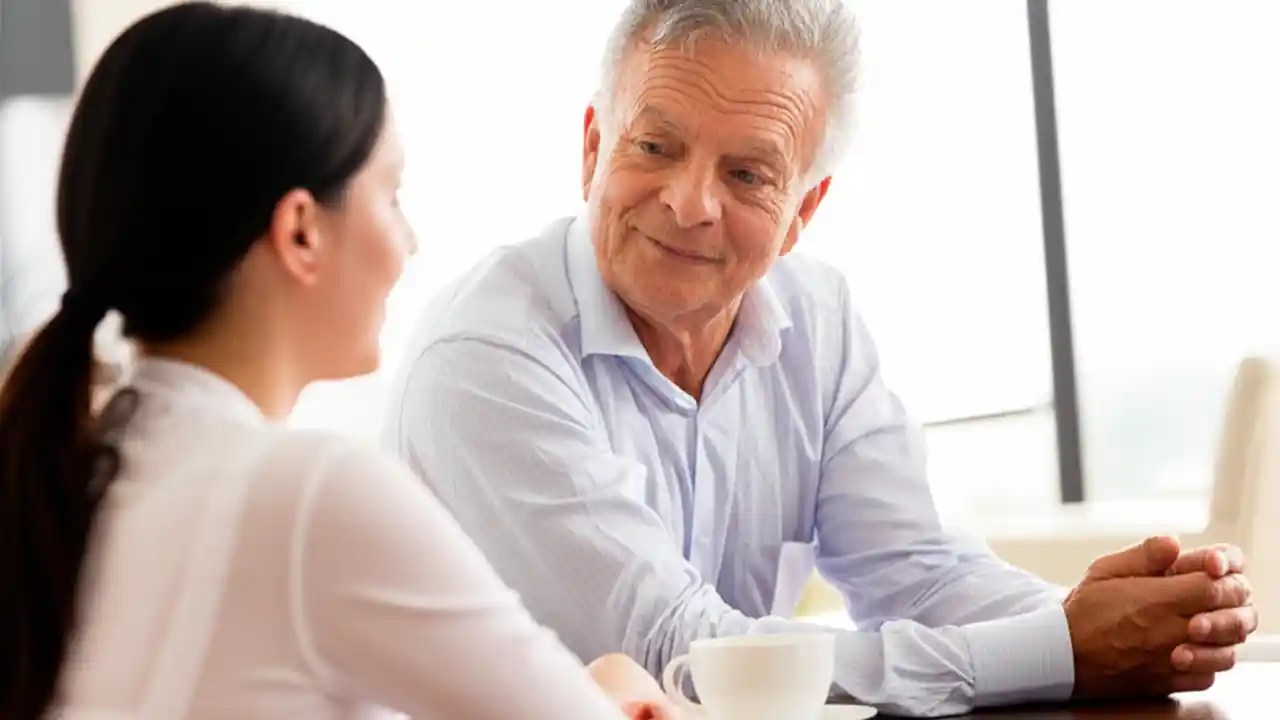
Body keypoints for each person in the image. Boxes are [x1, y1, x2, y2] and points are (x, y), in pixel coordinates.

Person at [383, 0, 1258, 716]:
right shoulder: (488, 355)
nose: (689, 203)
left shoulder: (817, 318)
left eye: (747, 175)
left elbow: (920, 572)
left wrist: (1105, 623)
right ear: (592, 149)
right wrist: (1062, 648)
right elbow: (681, 656)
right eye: (654, 146)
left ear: (804, 210)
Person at [0, 3, 672, 718]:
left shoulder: (84, 470)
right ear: (300, 231)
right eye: (392, 195)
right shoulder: (309, 493)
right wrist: (614, 686)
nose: (408, 242)